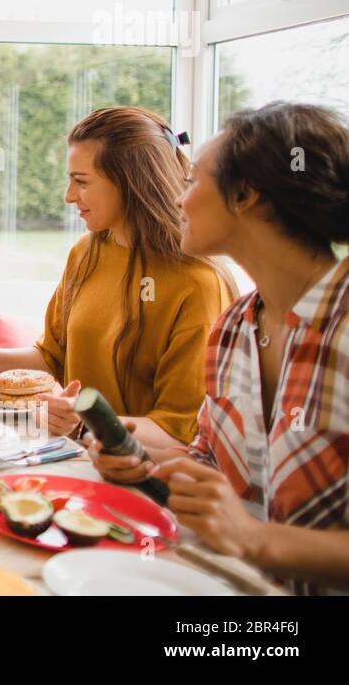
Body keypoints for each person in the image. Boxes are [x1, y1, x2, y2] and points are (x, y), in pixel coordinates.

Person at [91, 102, 349, 594]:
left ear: (246, 194)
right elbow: (208, 465)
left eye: (191, 183)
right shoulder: (234, 328)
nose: (180, 201)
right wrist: (141, 461)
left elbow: (246, 529)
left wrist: (255, 538)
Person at [0, 107, 233, 444]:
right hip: (76, 457)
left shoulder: (198, 285)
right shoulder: (86, 253)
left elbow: (180, 432)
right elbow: (54, 357)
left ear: (130, 180)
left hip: (145, 481)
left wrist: (91, 422)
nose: (68, 195)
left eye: (81, 181)